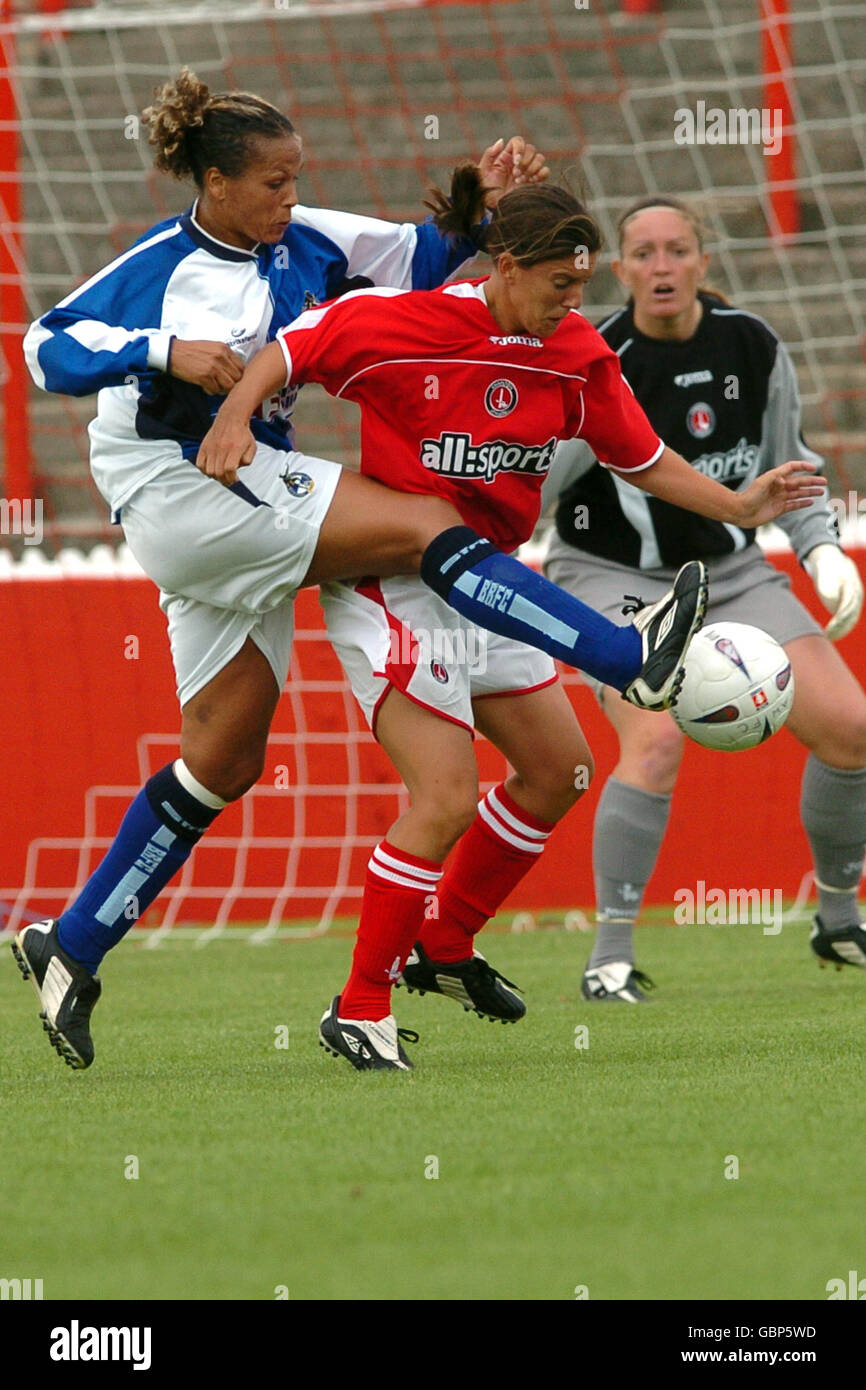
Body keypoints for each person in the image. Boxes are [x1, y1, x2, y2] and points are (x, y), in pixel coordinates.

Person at [12, 73, 707, 1073]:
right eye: (271, 184)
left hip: (236, 490)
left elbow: (416, 261)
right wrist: (168, 350)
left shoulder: (304, 237)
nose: (289, 199)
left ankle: (69, 945)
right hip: (182, 480)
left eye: (296, 180)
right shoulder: (166, 268)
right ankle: (620, 654)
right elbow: (45, 346)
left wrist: (476, 204)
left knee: (226, 754)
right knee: (424, 522)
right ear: (213, 182)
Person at [200, 176, 824, 1070]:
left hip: (493, 581)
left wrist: (739, 502)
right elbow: (289, 352)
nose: (577, 305)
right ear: (504, 266)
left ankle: (444, 945)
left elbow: (641, 458)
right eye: (561, 287)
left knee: (560, 769)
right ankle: (359, 1007)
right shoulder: (400, 322)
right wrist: (231, 417)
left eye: (581, 286)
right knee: (446, 796)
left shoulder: (573, 352)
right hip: (397, 582)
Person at [542, 195, 866, 1003]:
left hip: (734, 574)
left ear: (702, 262)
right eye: (643, 254)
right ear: (618, 270)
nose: (660, 267)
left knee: (853, 728)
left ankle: (838, 918)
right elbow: (535, 482)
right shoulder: (596, 356)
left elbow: (791, 461)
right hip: (611, 578)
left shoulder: (752, 345)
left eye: (676, 250)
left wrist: (822, 548)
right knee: (652, 742)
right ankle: (609, 959)